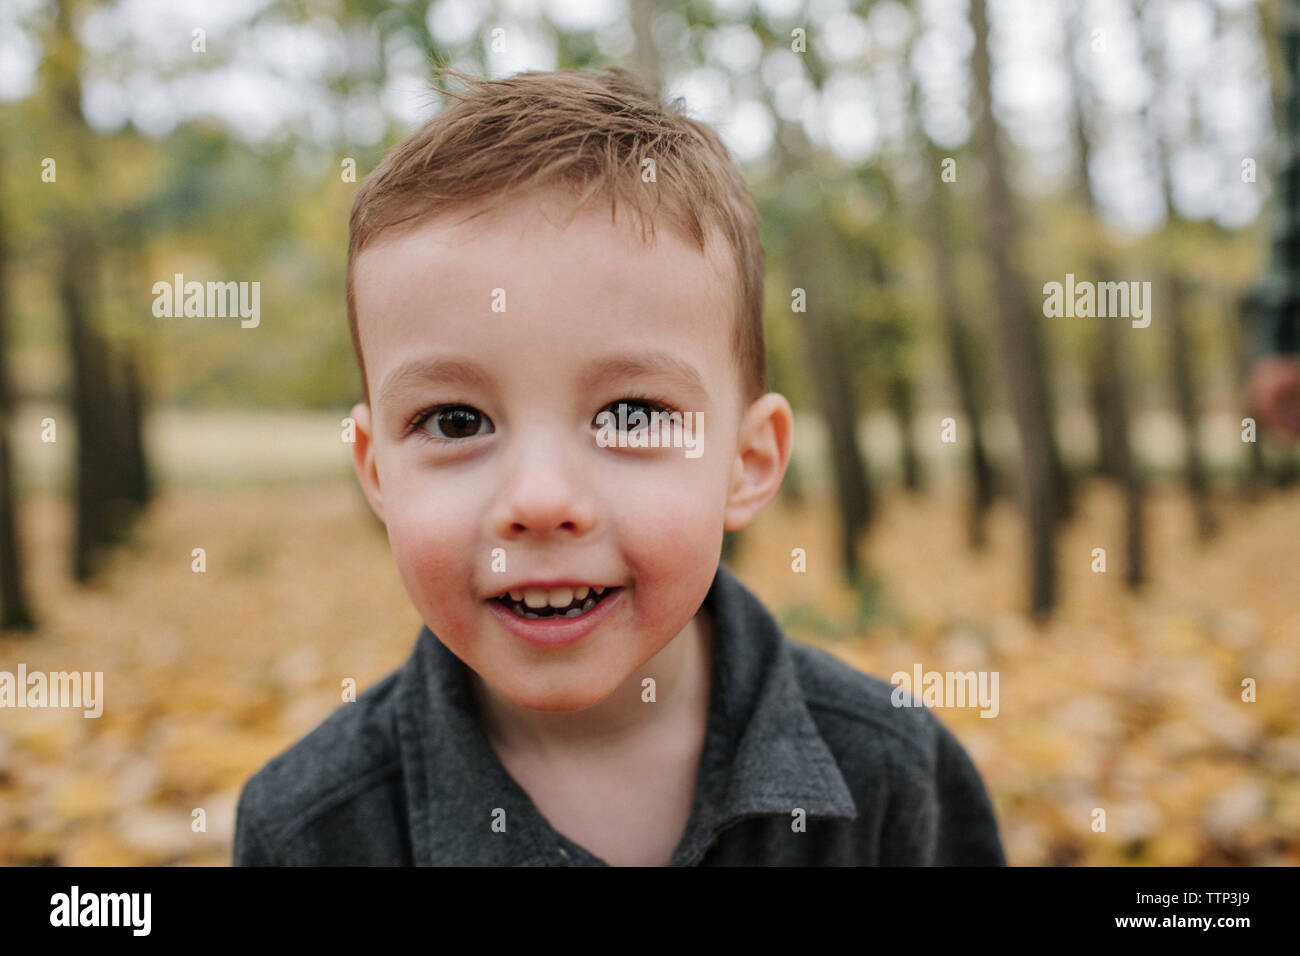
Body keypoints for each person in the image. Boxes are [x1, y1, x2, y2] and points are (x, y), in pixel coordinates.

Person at [232, 67, 1005, 866]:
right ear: (376, 473)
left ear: (747, 463)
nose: (539, 501)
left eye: (630, 415)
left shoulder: (893, 773)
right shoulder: (307, 833)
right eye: (456, 421)